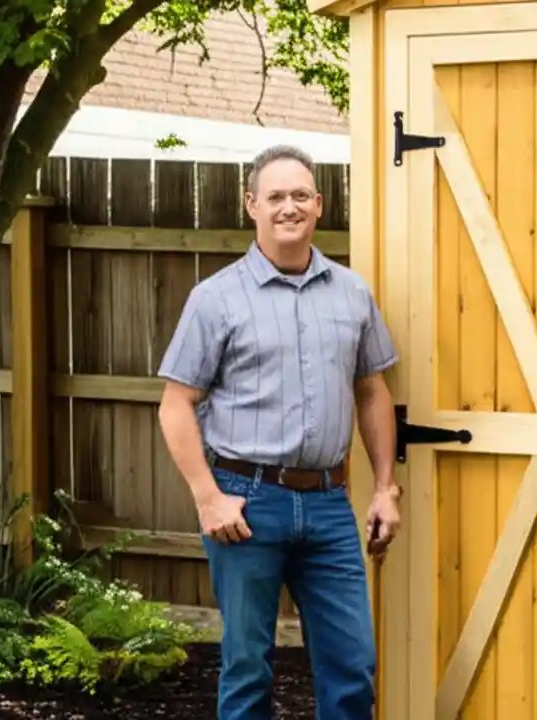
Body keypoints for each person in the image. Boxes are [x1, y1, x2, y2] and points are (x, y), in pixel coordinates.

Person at [156, 144, 401, 720]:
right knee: (248, 669)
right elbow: (175, 405)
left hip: (329, 506)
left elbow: (372, 390)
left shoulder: (351, 293)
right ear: (251, 206)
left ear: (319, 204)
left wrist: (385, 487)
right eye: (274, 197)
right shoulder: (215, 299)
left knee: (353, 668)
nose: (287, 207)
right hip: (247, 505)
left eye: (299, 196)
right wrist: (208, 498)